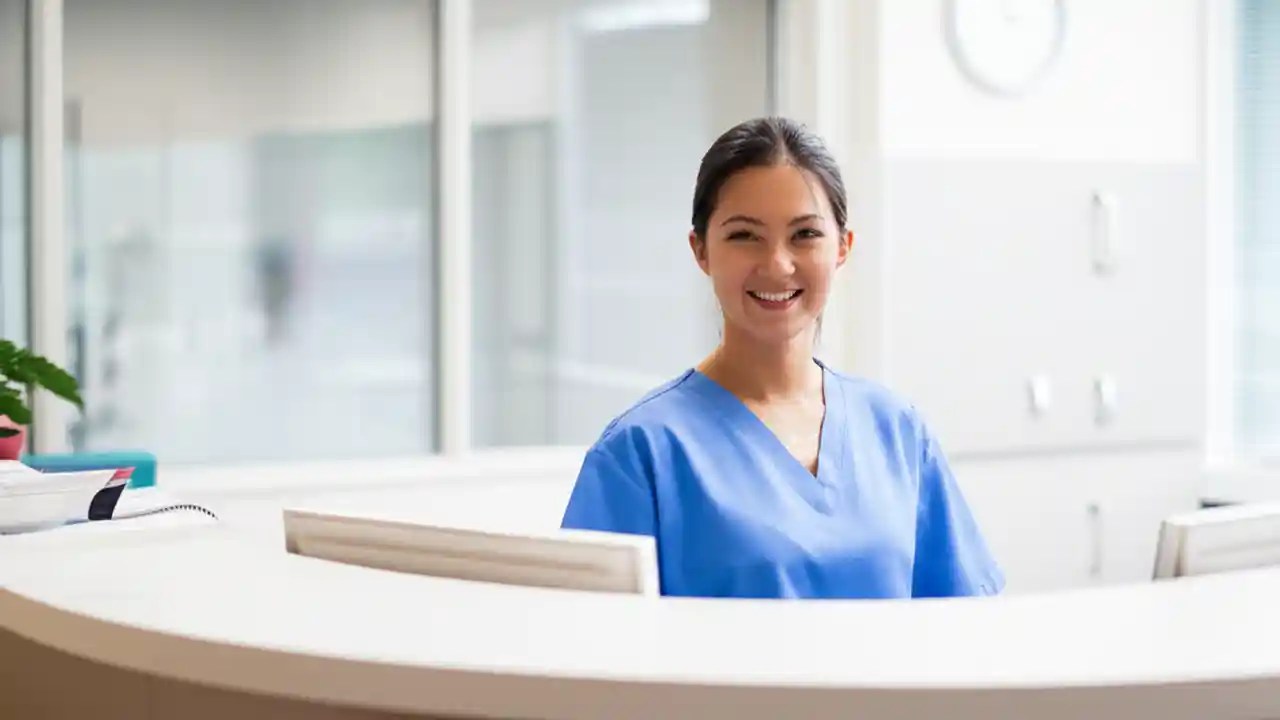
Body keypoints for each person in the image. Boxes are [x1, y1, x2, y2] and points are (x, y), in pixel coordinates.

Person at [560, 117, 1004, 599]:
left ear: (843, 247)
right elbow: (591, 652)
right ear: (701, 250)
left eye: (805, 235)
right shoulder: (641, 453)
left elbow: (963, 626)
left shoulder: (896, 431)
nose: (777, 264)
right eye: (745, 236)